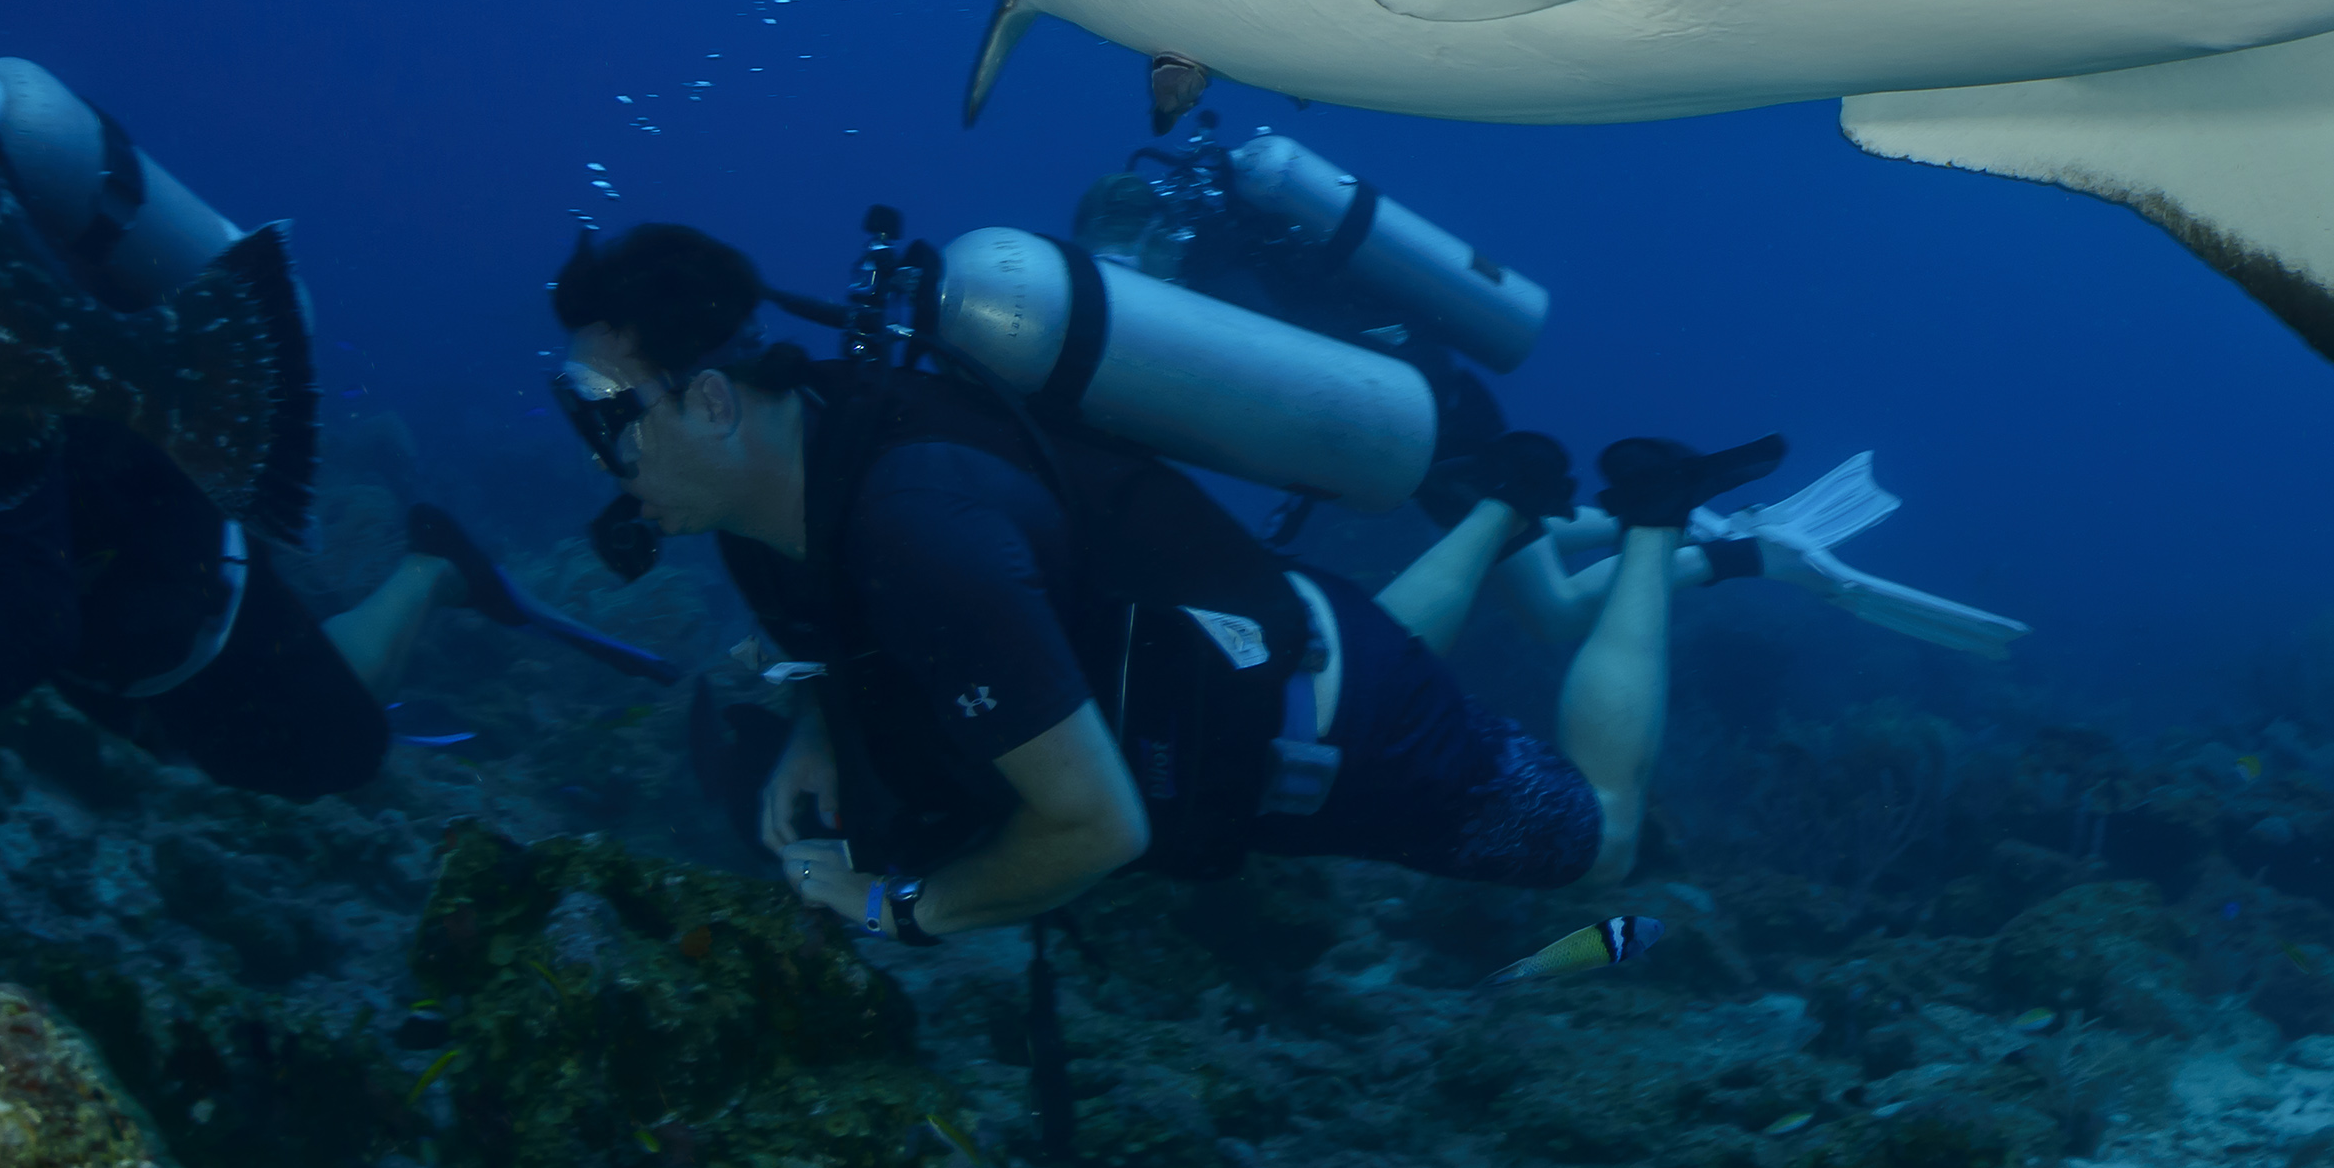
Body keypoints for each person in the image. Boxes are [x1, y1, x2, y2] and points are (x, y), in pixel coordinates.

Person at [555, 220, 1755, 938]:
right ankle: (1504, 507)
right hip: (1264, 647)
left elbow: (1095, 825)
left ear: (711, 397)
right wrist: (819, 726)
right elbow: (828, 622)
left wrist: (896, 910)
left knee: (1599, 836)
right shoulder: (781, 461)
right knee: (1349, 649)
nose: (598, 453)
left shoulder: (923, 533)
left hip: (1330, 735)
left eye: (605, 413)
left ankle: (1651, 515)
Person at [0, 416, 624, 815]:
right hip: (107, 610)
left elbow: (29, 619)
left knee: (329, 749)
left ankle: (430, 569)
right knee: (215, 744)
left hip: (177, 587)